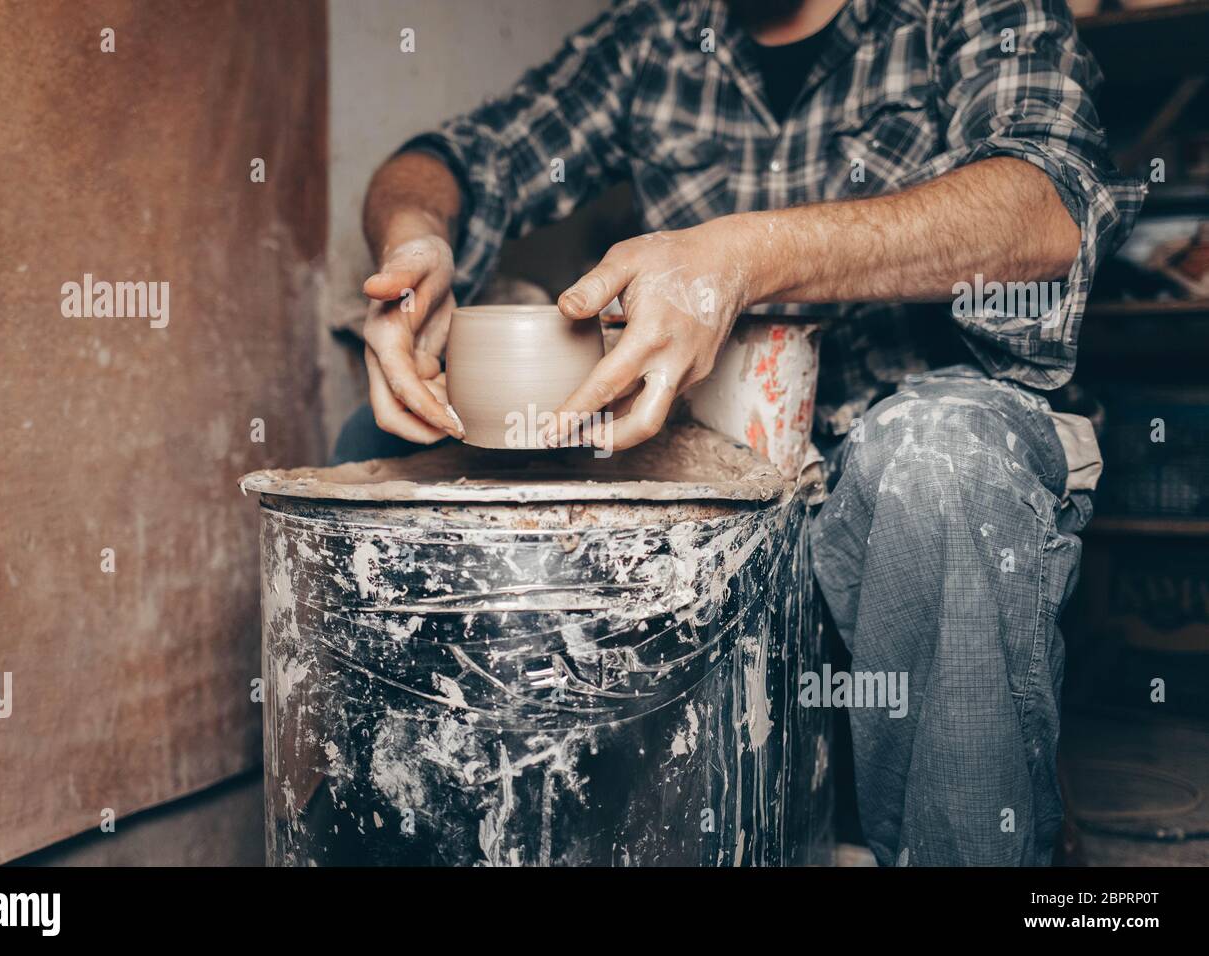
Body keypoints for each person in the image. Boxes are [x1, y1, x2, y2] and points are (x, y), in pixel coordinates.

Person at [341, 0, 1144, 865]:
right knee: (379, 450)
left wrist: (742, 257)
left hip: (914, 414)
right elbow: (456, 158)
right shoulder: (656, 35)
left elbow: (1048, 206)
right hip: (721, 439)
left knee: (936, 460)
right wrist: (414, 242)